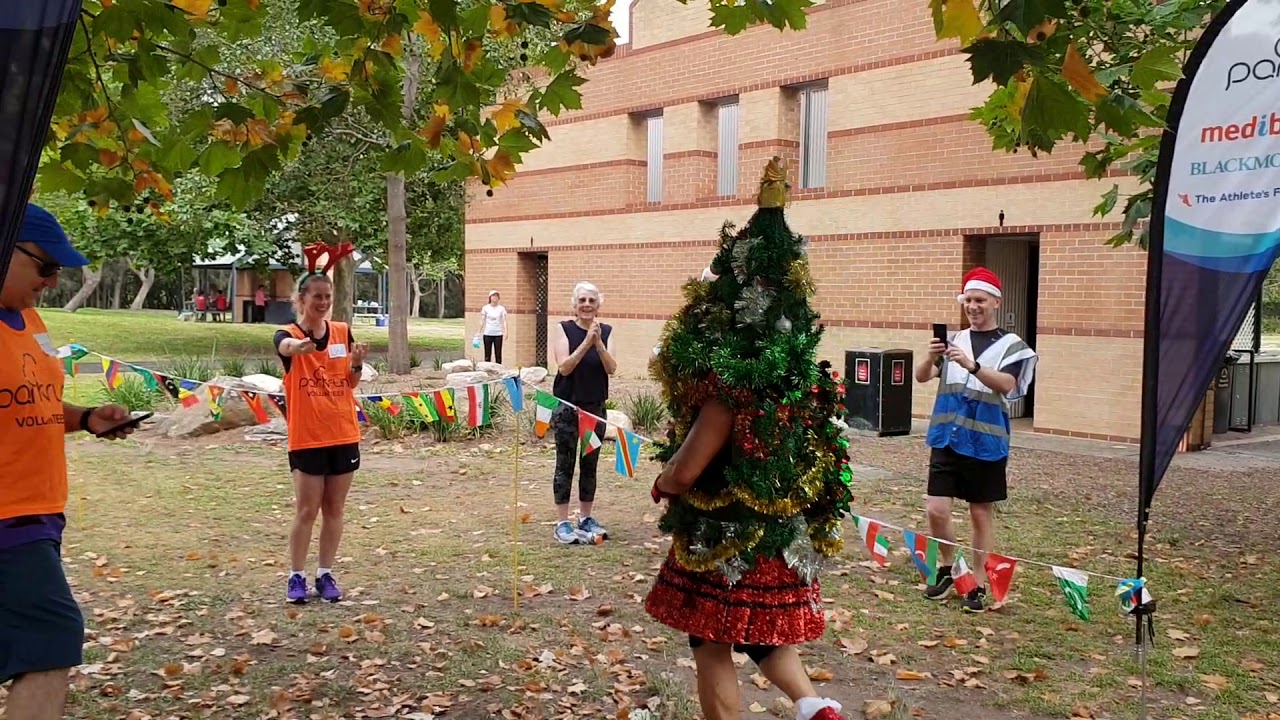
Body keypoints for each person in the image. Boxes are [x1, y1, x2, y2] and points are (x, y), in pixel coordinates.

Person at [644, 159, 853, 720]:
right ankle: (814, 706)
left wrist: (665, 483)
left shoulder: (729, 388)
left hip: (722, 534)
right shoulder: (799, 380)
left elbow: (687, 470)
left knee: (709, 638)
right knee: (763, 636)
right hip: (780, 533)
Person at [0, 204, 137, 720]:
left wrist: (84, 418)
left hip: (41, 511)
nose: (53, 282)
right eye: (45, 268)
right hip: (8, 518)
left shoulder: (30, 321)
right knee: (53, 634)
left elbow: (31, 403)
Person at [912, 266, 1037, 613]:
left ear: (995, 302)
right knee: (936, 510)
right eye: (968, 300)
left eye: (979, 300)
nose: (973, 306)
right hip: (947, 437)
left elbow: (1008, 386)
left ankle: (978, 581)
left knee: (980, 515)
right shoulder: (954, 340)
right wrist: (930, 356)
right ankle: (949, 568)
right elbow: (922, 377)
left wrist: (972, 365)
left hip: (986, 443)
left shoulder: (1013, 346)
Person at [274, 243, 368, 604]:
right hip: (307, 436)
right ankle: (296, 576)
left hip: (343, 433)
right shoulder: (288, 334)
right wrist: (296, 350)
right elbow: (283, 347)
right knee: (306, 510)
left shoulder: (343, 331)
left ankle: (325, 574)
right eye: (317, 296)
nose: (324, 301)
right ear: (302, 297)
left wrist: (357, 363)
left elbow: (351, 381)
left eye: (328, 296)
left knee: (335, 509)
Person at [549, 281, 615, 545]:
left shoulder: (607, 331)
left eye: (591, 300)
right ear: (574, 305)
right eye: (582, 300)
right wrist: (586, 342)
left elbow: (611, 368)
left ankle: (586, 518)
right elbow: (564, 368)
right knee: (565, 464)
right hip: (568, 406)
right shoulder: (563, 329)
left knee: (590, 464)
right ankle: (562, 522)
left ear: (598, 304)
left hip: (595, 409)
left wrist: (598, 343)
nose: (586, 305)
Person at [480, 290, 507, 364]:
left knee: (498, 354)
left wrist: (506, 332)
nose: (495, 298)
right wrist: (478, 331)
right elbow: (482, 320)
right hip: (488, 333)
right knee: (487, 354)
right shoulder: (485, 308)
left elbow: (504, 321)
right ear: (490, 297)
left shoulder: (501, 308)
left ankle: (499, 370)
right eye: (493, 296)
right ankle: (487, 369)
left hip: (498, 333)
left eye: (497, 296)